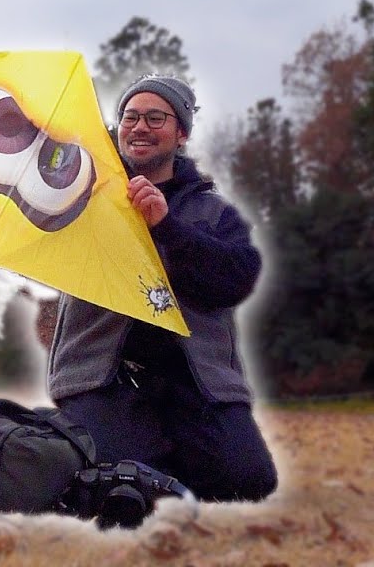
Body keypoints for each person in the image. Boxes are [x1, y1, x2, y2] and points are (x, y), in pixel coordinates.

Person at [47, 74, 278, 503]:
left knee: (248, 482)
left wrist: (167, 227)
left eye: (156, 117)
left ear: (182, 133)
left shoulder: (213, 212)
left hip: (195, 380)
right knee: (136, 484)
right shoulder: (82, 199)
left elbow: (236, 279)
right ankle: (72, 438)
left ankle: (157, 450)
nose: (139, 128)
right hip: (101, 377)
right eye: (130, 117)